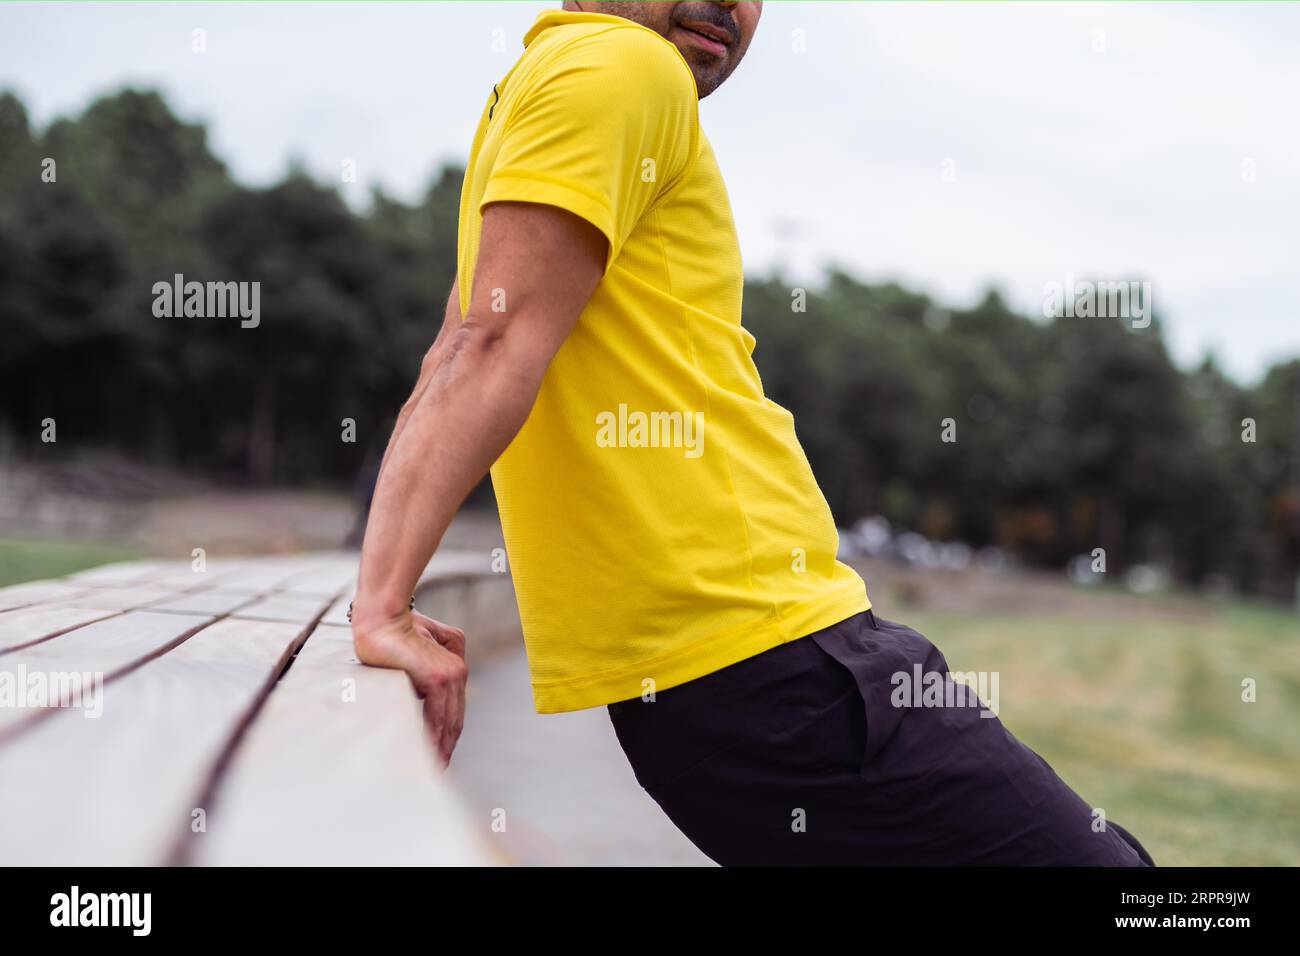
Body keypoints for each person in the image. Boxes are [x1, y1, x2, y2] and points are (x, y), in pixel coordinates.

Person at [349, 1, 1154, 866]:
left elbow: (454, 353)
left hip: (728, 679)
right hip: (773, 659)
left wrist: (381, 590)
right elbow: (485, 346)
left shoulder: (540, 84)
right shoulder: (625, 68)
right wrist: (382, 604)